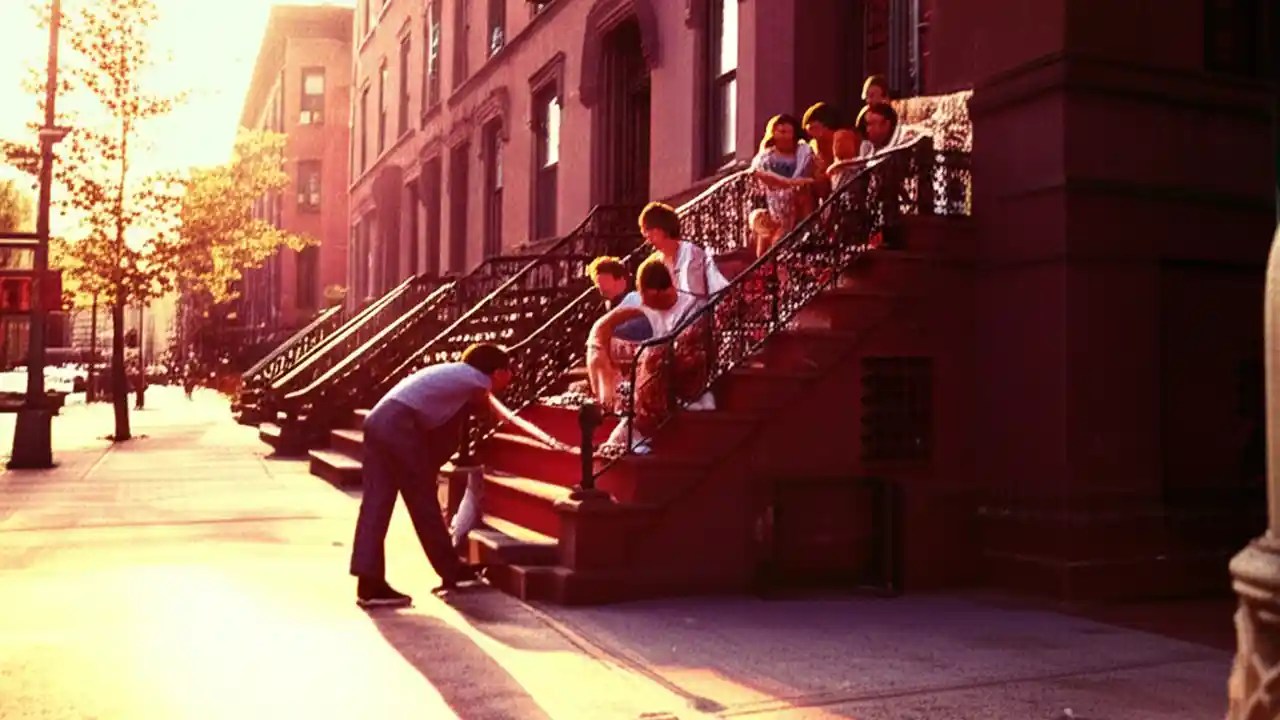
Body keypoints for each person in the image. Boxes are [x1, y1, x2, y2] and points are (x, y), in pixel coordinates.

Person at [349, 342, 567, 608]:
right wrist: (550, 442)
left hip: (378, 421)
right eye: (509, 371)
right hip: (399, 427)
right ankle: (452, 570)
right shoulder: (475, 379)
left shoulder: (456, 374)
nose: (511, 378)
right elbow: (503, 414)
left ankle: (369, 582)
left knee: (376, 504)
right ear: (496, 372)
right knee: (423, 503)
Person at [588, 260, 711, 452]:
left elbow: (696, 352)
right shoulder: (649, 306)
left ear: (660, 291)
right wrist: (600, 355)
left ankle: (635, 434)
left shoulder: (693, 308)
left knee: (654, 359)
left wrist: (655, 357)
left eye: (645, 296)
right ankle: (626, 435)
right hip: (655, 378)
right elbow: (603, 327)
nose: (643, 303)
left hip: (686, 375)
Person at [639, 202, 729, 299]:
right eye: (646, 234)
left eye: (651, 232)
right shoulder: (656, 261)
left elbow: (694, 295)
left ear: (664, 230)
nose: (649, 239)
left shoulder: (691, 253)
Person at [750, 114, 817, 232]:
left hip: (801, 196)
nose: (784, 136)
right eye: (781, 131)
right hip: (777, 199)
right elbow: (759, 174)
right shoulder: (766, 157)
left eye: (788, 132)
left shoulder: (804, 152)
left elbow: (813, 174)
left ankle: (808, 228)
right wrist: (789, 183)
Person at [802, 102, 842, 200]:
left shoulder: (843, 143)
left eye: (814, 128)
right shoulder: (812, 147)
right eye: (809, 130)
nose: (812, 134)